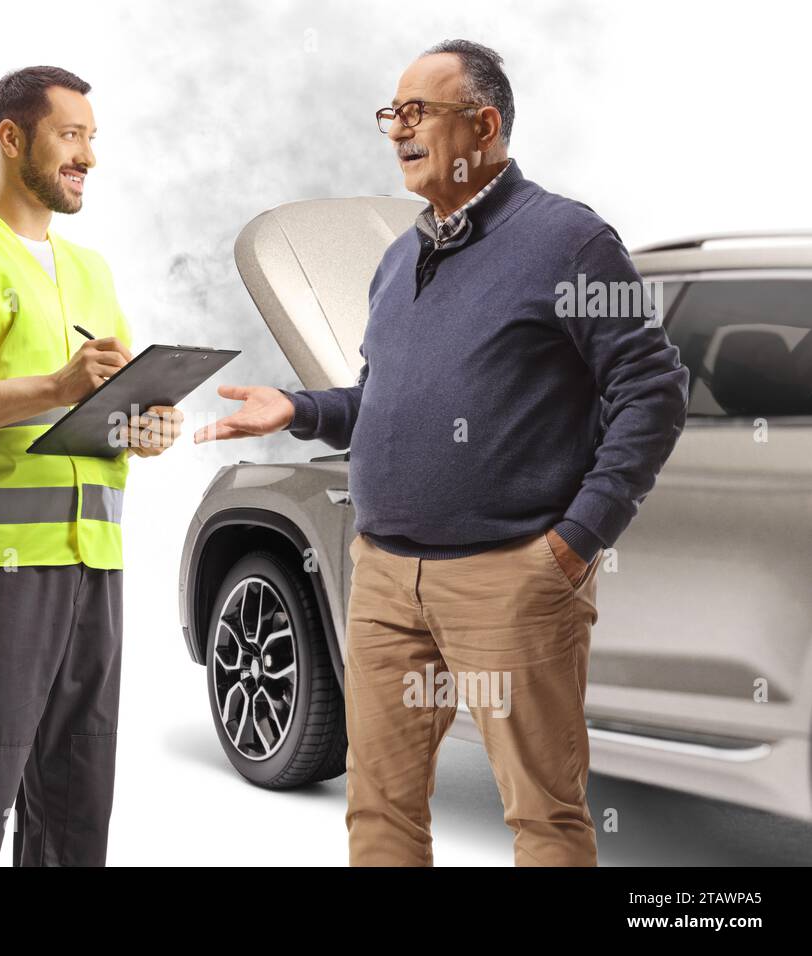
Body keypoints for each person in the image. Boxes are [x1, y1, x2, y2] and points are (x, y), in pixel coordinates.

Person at [194, 40, 689, 866]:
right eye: (392, 114)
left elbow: (653, 389)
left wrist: (573, 544)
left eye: (418, 112)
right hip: (384, 577)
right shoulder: (399, 258)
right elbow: (381, 401)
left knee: (543, 817)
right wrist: (302, 407)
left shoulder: (568, 241)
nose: (397, 130)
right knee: (379, 813)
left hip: (512, 576)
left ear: (485, 125)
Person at [0, 65, 182, 866]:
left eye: (92, 138)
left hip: (96, 565)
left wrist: (142, 425)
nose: (89, 157)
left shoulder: (91, 271)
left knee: (78, 800)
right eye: (71, 136)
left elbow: (99, 407)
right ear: (12, 139)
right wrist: (53, 386)